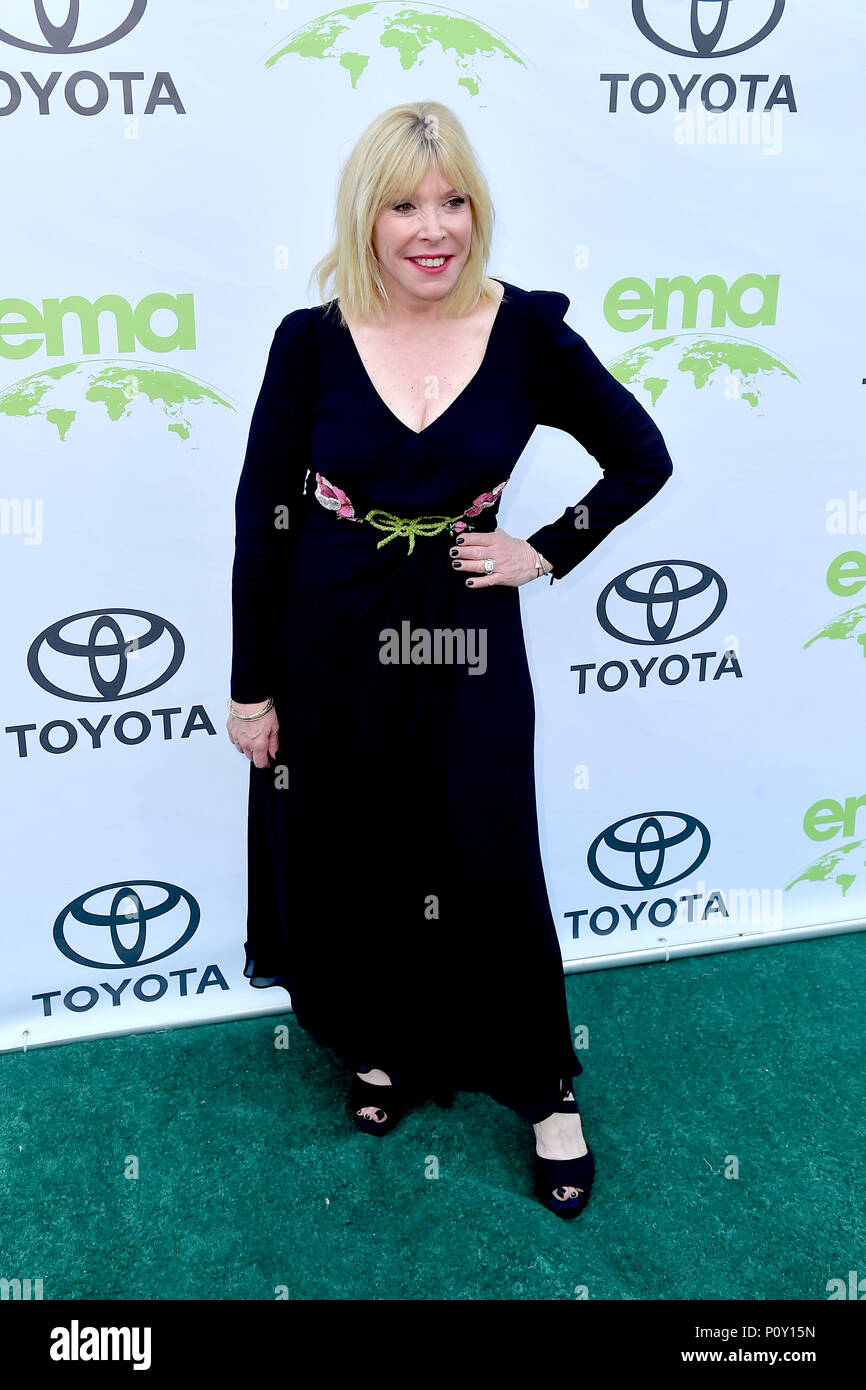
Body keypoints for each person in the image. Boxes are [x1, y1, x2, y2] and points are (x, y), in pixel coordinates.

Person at [226, 100, 673, 1219]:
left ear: (478, 208)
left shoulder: (524, 333)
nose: (434, 227)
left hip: (463, 620)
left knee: (482, 847)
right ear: (364, 219)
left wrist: (545, 549)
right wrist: (249, 684)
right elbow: (260, 516)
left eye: (454, 200)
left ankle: (542, 1085)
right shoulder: (309, 340)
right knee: (354, 844)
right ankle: (382, 1043)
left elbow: (639, 455)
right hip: (328, 622)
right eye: (404, 204)